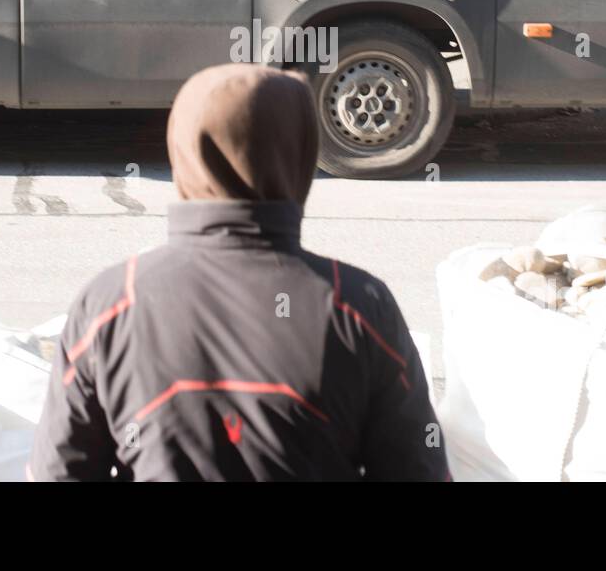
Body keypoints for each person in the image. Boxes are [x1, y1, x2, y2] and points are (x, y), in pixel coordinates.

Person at [28, 63, 450, 481]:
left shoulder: (110, 302)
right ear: (299, 154)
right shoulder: (359, 306)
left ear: (182, 148)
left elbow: (60, 471)